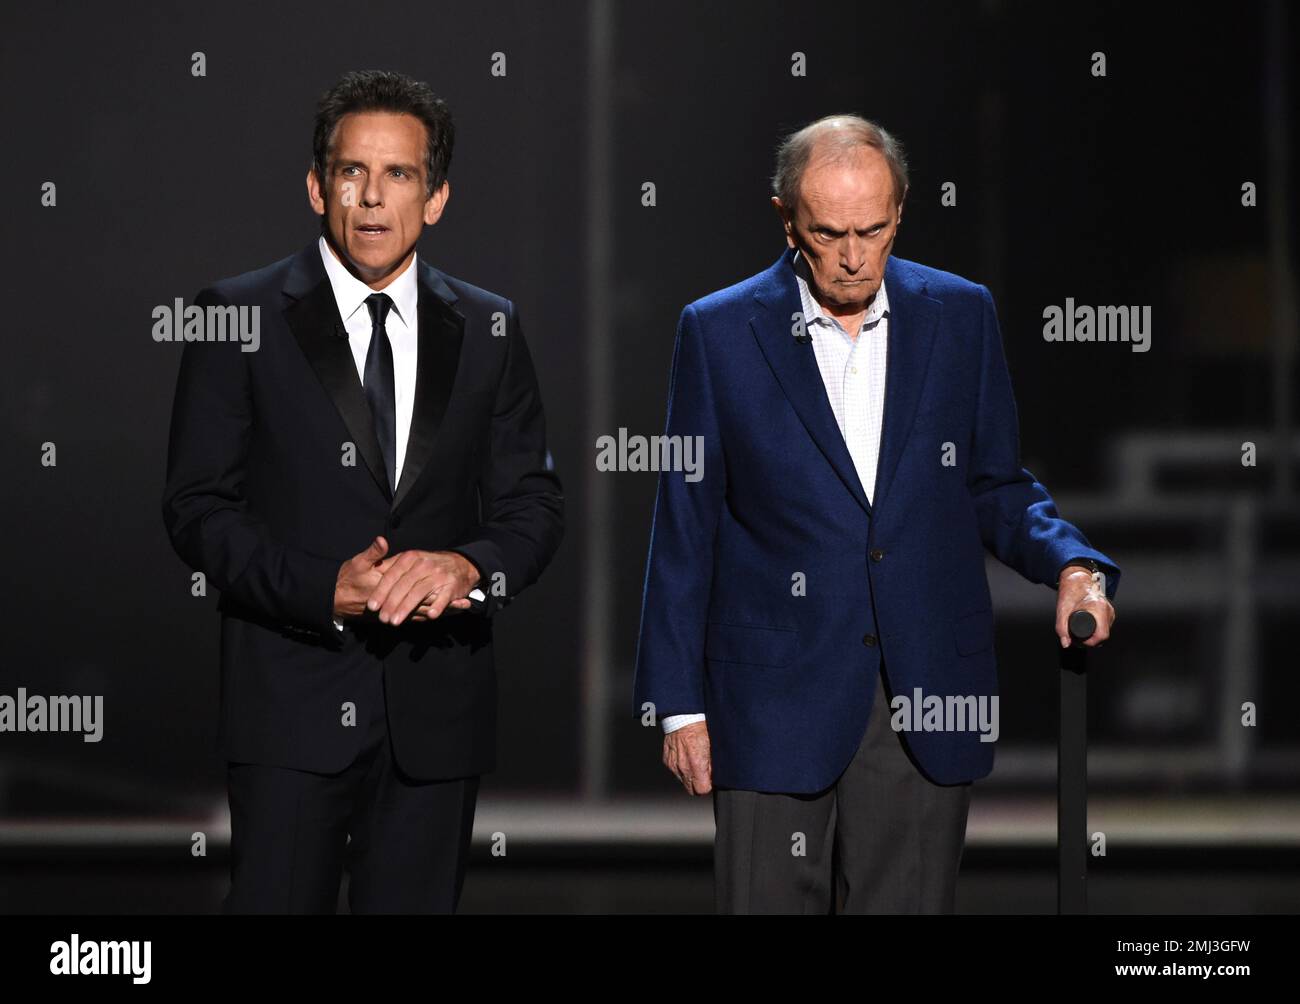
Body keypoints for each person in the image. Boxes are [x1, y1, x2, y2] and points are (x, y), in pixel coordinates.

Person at [632, 114, 1118, 914]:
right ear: (787, 218)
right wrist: (680, 707)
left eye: (873, 229)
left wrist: (1071, 563)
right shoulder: (718, 331)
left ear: (901, 213)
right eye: (828, 233)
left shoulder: (960, 316)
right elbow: (685, 526)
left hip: (921, 694)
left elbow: (995, 484)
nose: (854, 256)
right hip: (768, 702)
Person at [161, 69, 563, 913]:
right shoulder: (237, 315)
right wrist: (322, 589)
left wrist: (467, 566)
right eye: (352, 172)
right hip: (290, 712)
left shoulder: (491, 327)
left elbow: (533, 504)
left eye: (400, 175)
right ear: (317, 186)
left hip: (437, 713)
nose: (373, 199)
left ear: (438, 197)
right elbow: (197, 507)